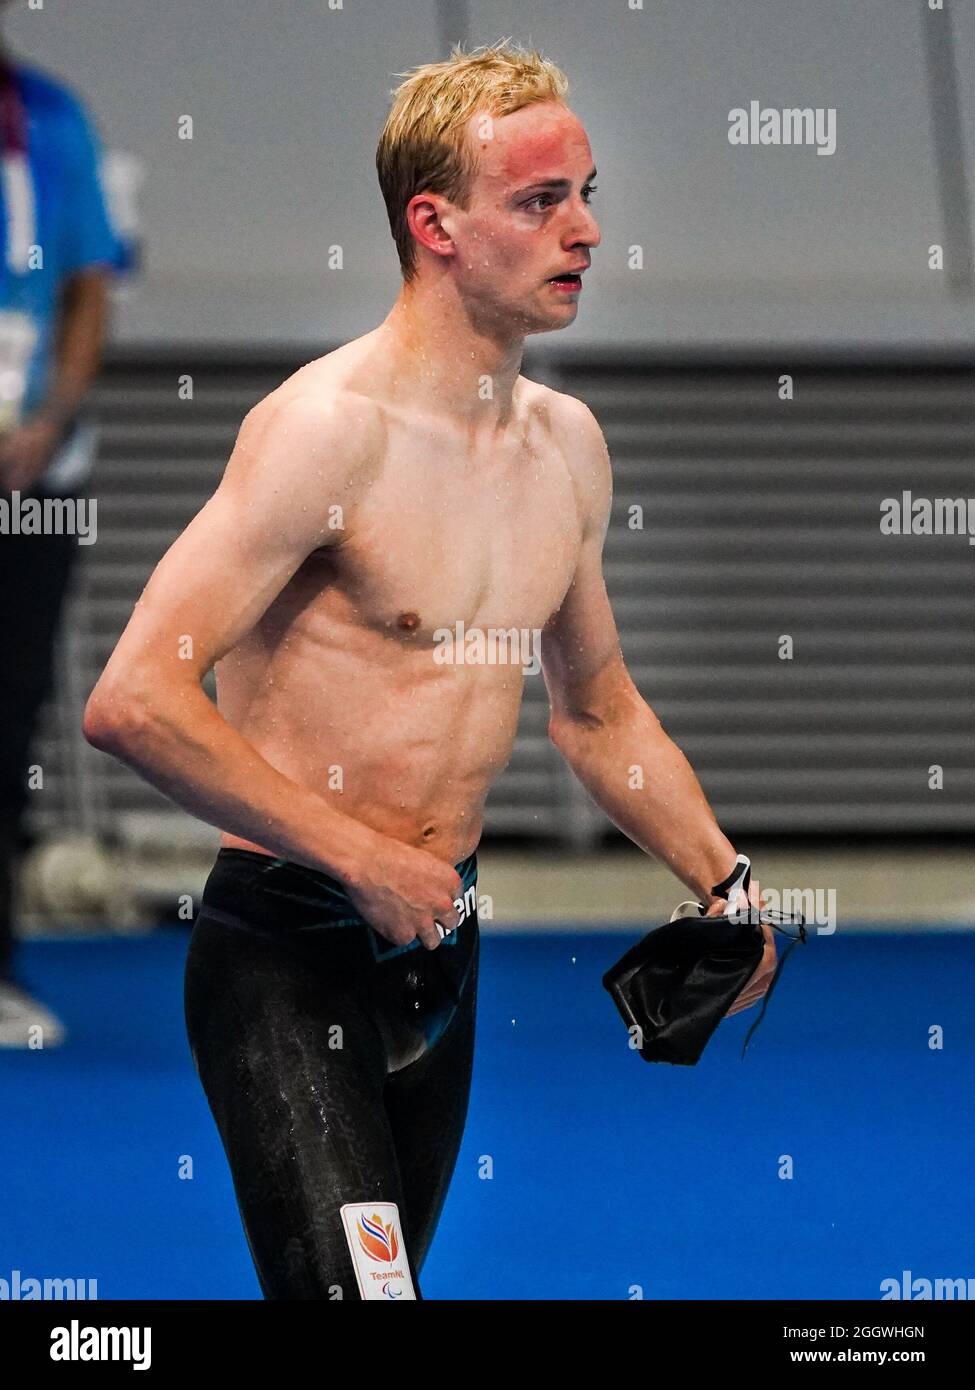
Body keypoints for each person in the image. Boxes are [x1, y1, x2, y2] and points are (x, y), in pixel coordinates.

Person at [83, 40, 776, 1300]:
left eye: (588, 193)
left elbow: (598, 710)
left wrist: (725, 880)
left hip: (442, 952)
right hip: (288, 954)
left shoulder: (565, 447)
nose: (586, 230)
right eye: (541, 201)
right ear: (435, 225)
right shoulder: (322, 433)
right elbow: (132, 698)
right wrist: (356, 857)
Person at [0, 10, 123, 1047]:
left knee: (8, 718)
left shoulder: (49, 117)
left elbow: (88, 285)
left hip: (31, 473)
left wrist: (46, 421)